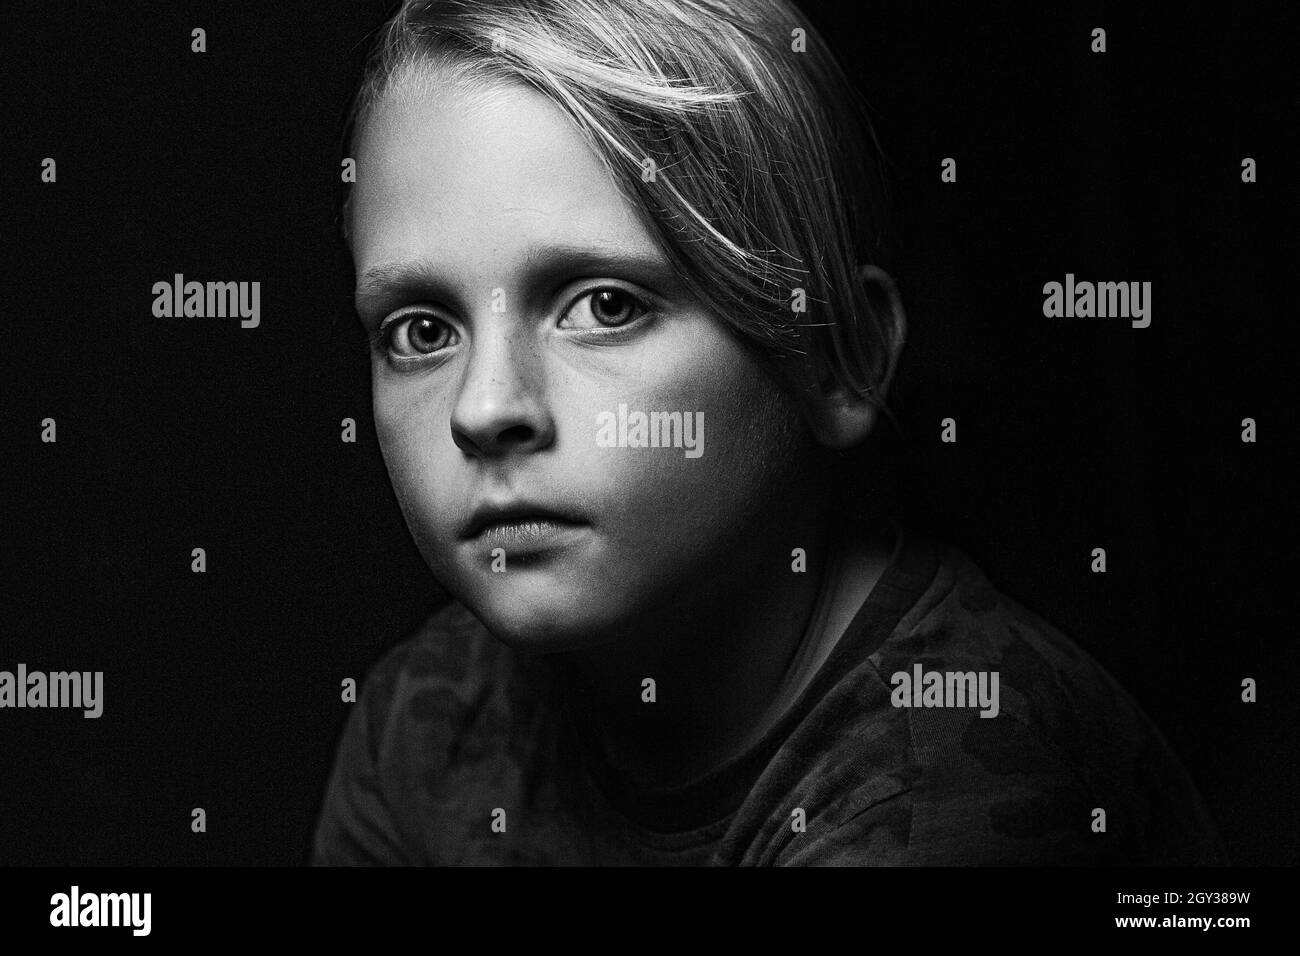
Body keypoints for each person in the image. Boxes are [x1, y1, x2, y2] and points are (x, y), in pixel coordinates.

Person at [312, 0, 1226, 865]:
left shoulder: (958, 786)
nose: (483, 407)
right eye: (422, 330)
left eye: (605, 305)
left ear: (836, 352)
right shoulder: (424, 724)